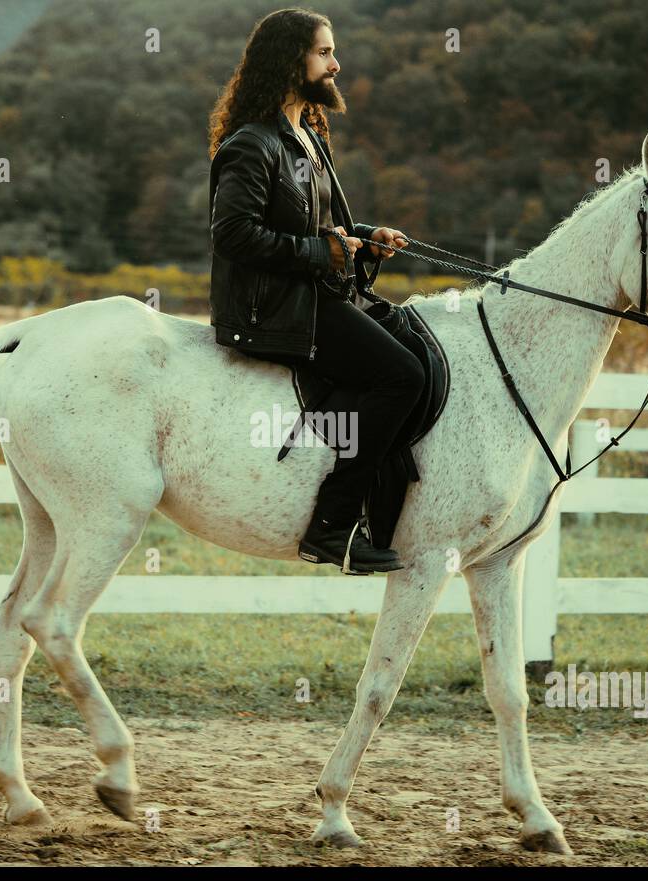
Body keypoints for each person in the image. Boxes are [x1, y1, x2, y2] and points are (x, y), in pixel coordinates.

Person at [207, 7, 424, 574]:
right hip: (276, 310)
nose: (336, 63)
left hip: (316, 295)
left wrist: (362, 238)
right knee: (402, 375)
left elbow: (314, 227)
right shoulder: (252, 144)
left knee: (414, 343)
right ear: (291, 60)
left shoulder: (307, 136)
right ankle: (331, 528)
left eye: (333, 52)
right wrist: (319, 253)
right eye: (324, 53)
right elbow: (232, 234)